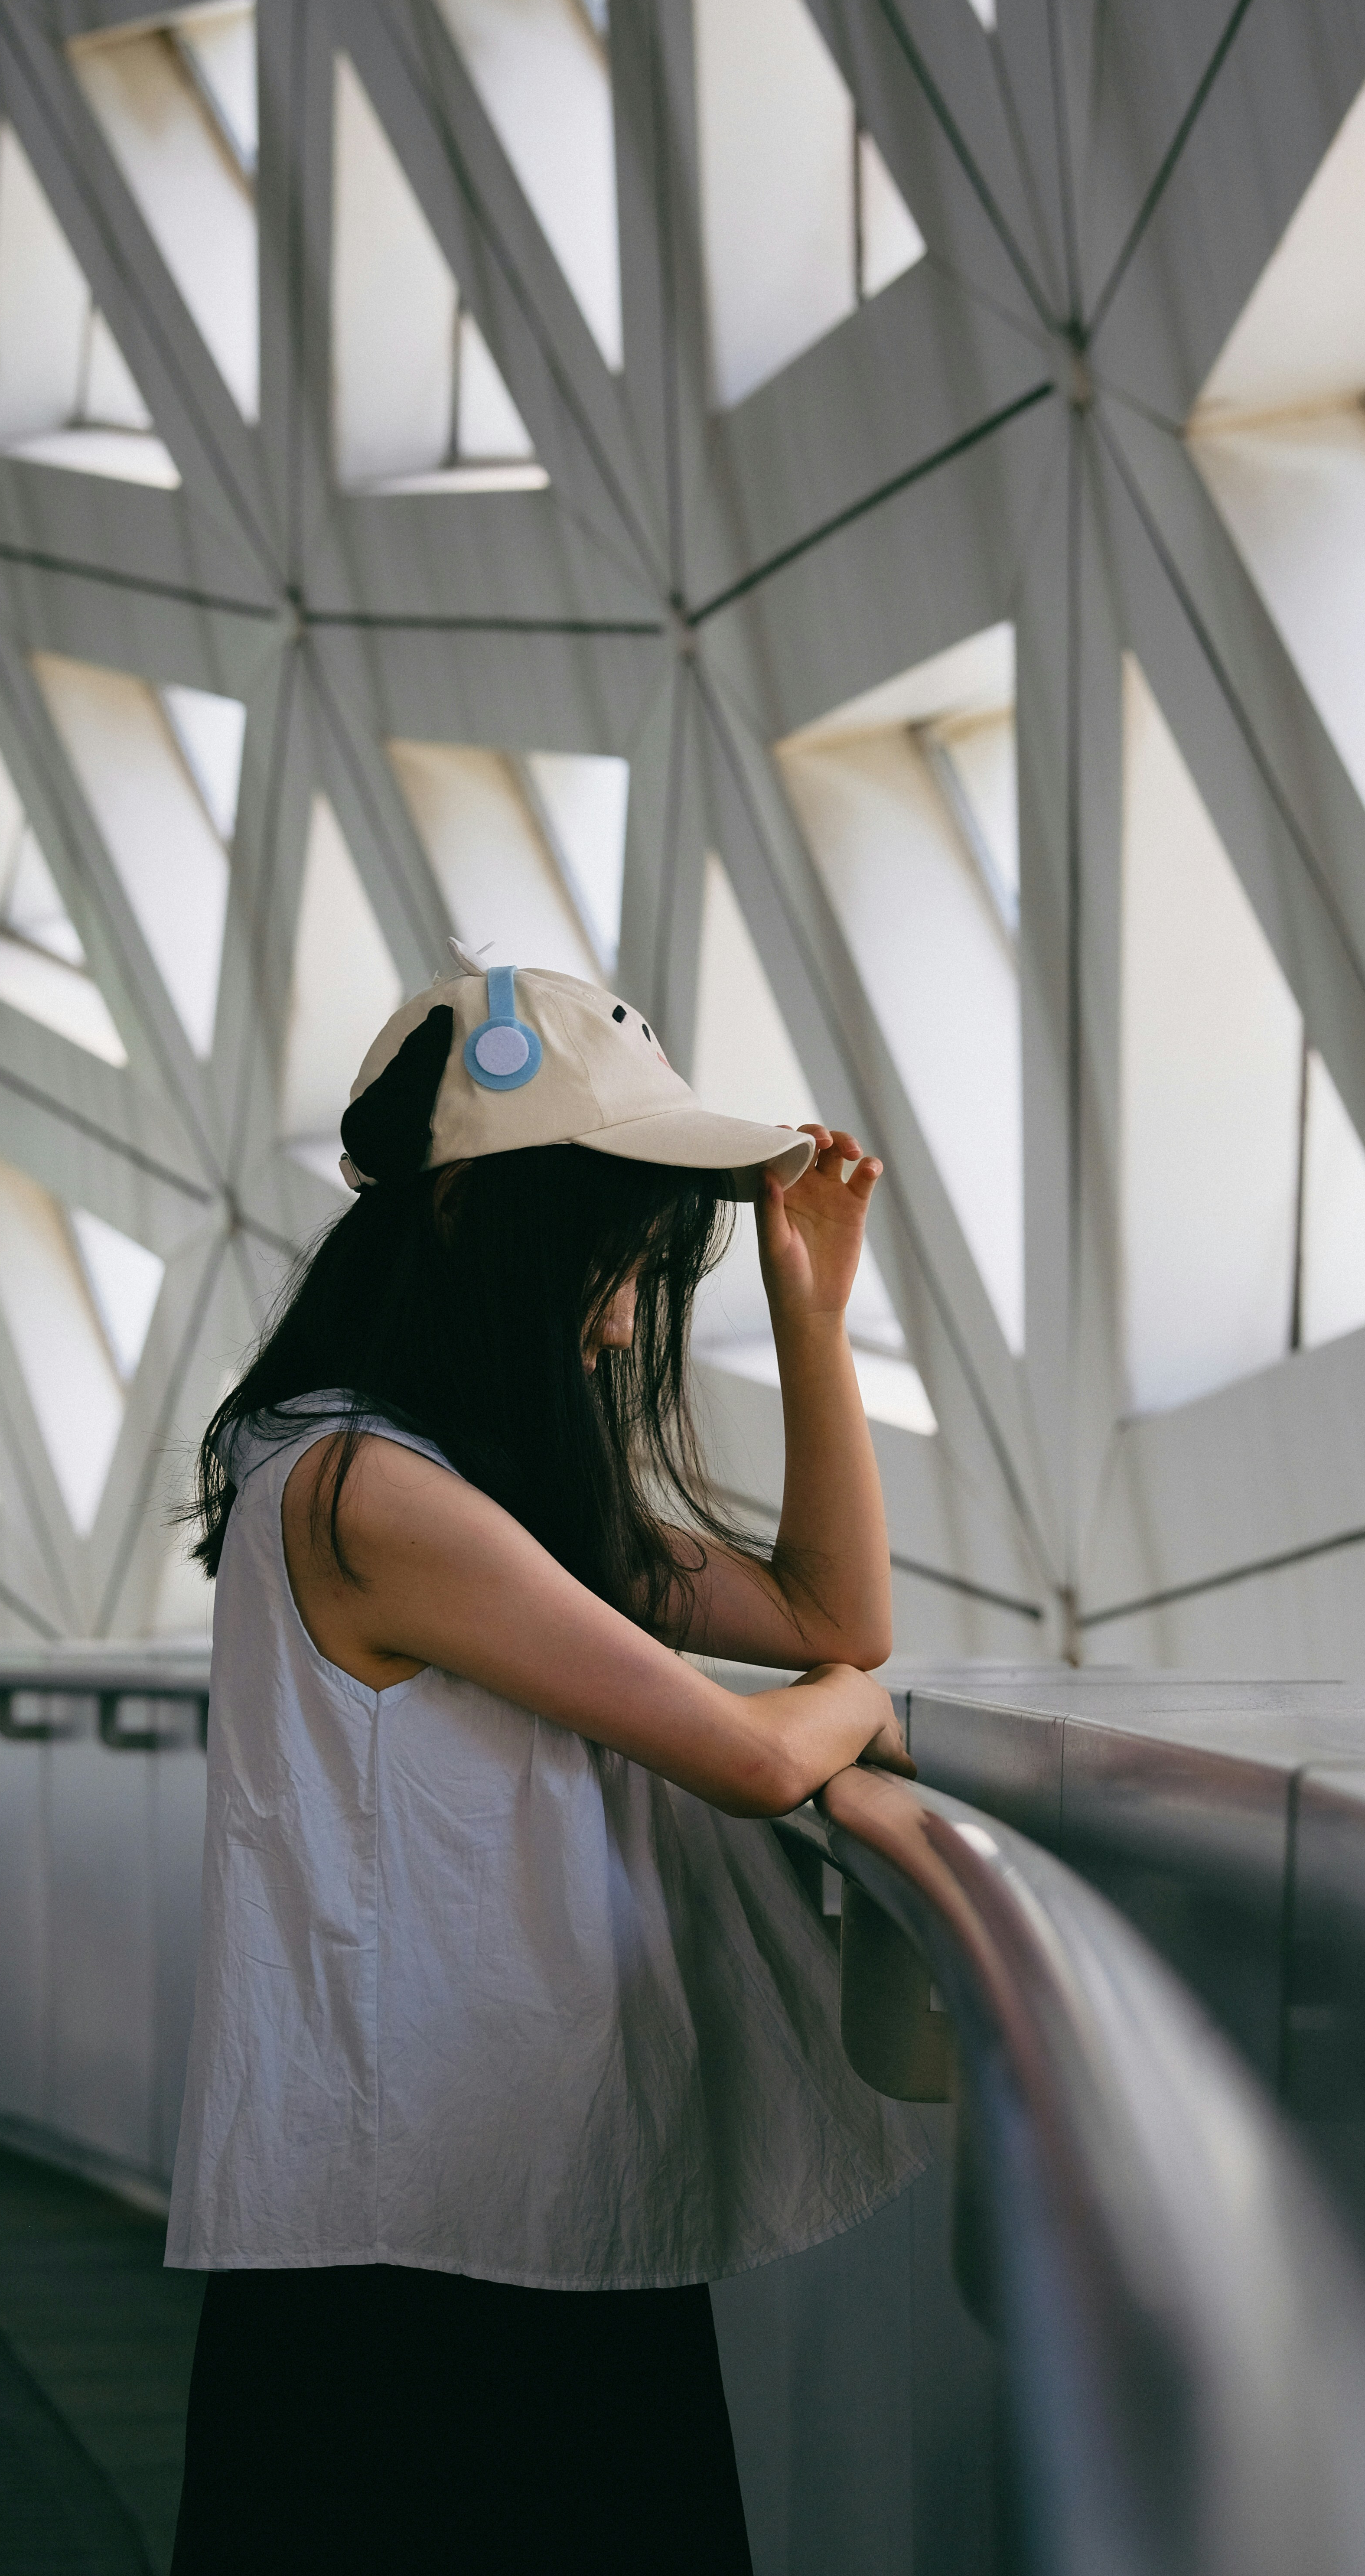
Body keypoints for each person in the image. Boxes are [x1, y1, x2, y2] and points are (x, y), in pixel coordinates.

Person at [166, 948, 928, 2573]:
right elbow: (756, 1743)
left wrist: (813, 1319)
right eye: (608, 1258)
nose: (623, 1316)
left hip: (526, 2198)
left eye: (652, 1270)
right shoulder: (361, 1492)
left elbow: (822, 1606)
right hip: (416, 2252)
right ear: (468, 1226)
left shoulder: (472, 1487)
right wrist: (857, 1713)